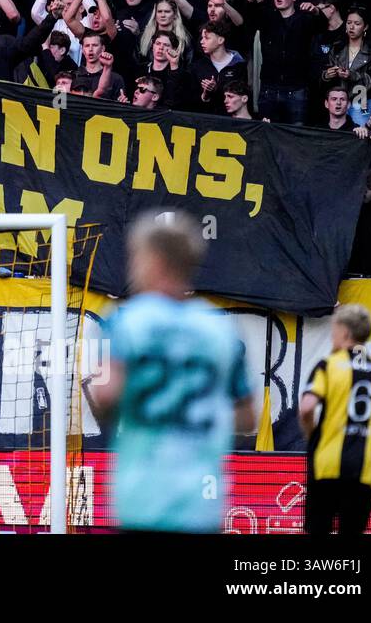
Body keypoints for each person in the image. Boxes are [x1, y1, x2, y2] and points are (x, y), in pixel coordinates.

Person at [85, 212, 255, 533]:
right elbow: (247, 418)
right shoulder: (221, 330)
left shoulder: (128, 321)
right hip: (200, 504)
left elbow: (106, 397)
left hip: (143, 498)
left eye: (136, 257)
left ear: (156, 261)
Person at [298, 304, 371, 535]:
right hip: (366, 468)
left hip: (327, 464)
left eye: (334, 330)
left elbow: (307, 408)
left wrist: (313, 439)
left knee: (317, 529)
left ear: (345, 333)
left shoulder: (328, 366)